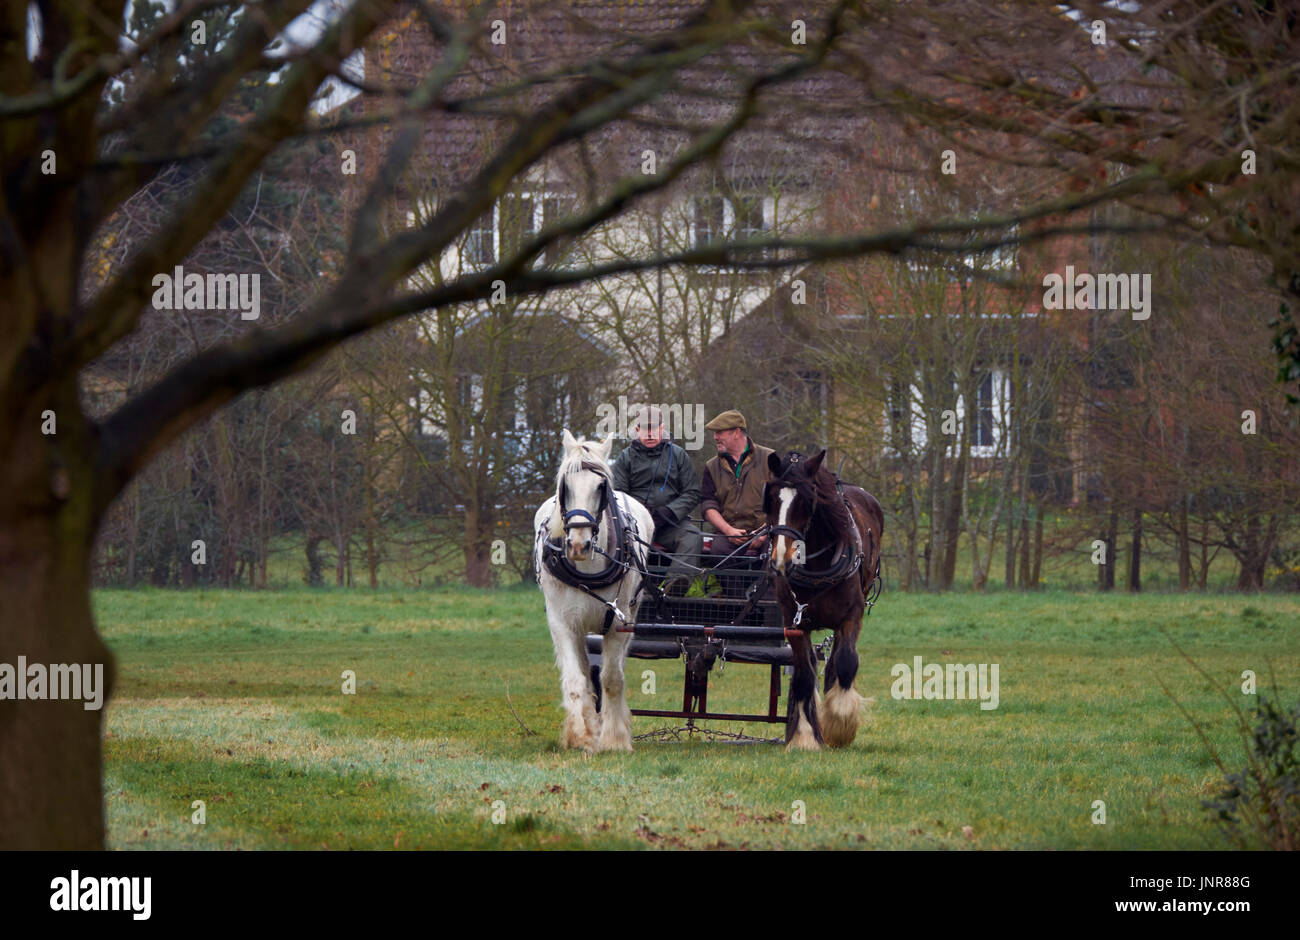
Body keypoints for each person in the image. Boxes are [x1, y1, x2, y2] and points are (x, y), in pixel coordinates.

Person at [611, 406, 703, 591]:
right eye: (645, 429)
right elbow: (618, 494)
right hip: (634, 526)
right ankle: (629, 589)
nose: (650, 434)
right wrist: (638, 513)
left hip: (670, 524)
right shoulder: (625, 458)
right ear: (637, 430)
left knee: (693, 536)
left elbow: (692, 492)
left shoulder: (678, 455)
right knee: (618, 542)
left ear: (662, 428)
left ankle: (675, 585)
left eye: (654, 429)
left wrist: (669, 512)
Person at [700, 410, 776, 561]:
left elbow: (781, 501)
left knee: (775, 554)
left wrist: (764, 532)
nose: (715, 437)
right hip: (728, 534)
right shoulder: (711, 466)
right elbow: (708, 505)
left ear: (736, 432)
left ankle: (764, 586)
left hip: (767, 531)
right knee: (717, 551)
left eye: (720, 432)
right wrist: (728, 530)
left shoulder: (770, 458)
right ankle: (732, 586)